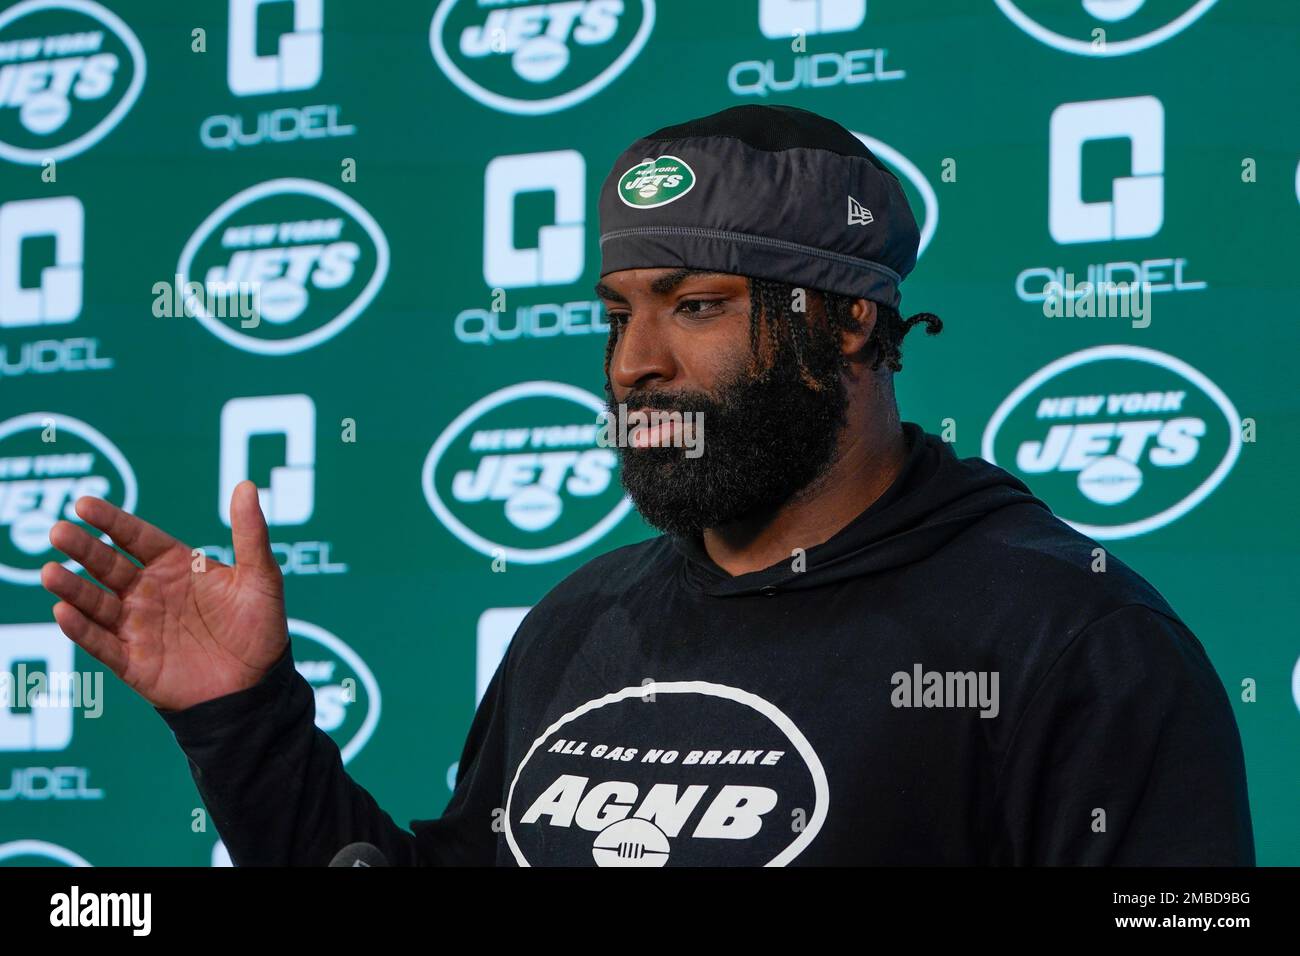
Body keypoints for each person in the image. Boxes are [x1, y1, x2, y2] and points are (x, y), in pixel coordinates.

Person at [41, 104, 1254, 866]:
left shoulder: (1070, 637)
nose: (635, 363)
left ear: (844, 324)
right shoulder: (586, 619)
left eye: (699, 307)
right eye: (618, 312)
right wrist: (240, 718)